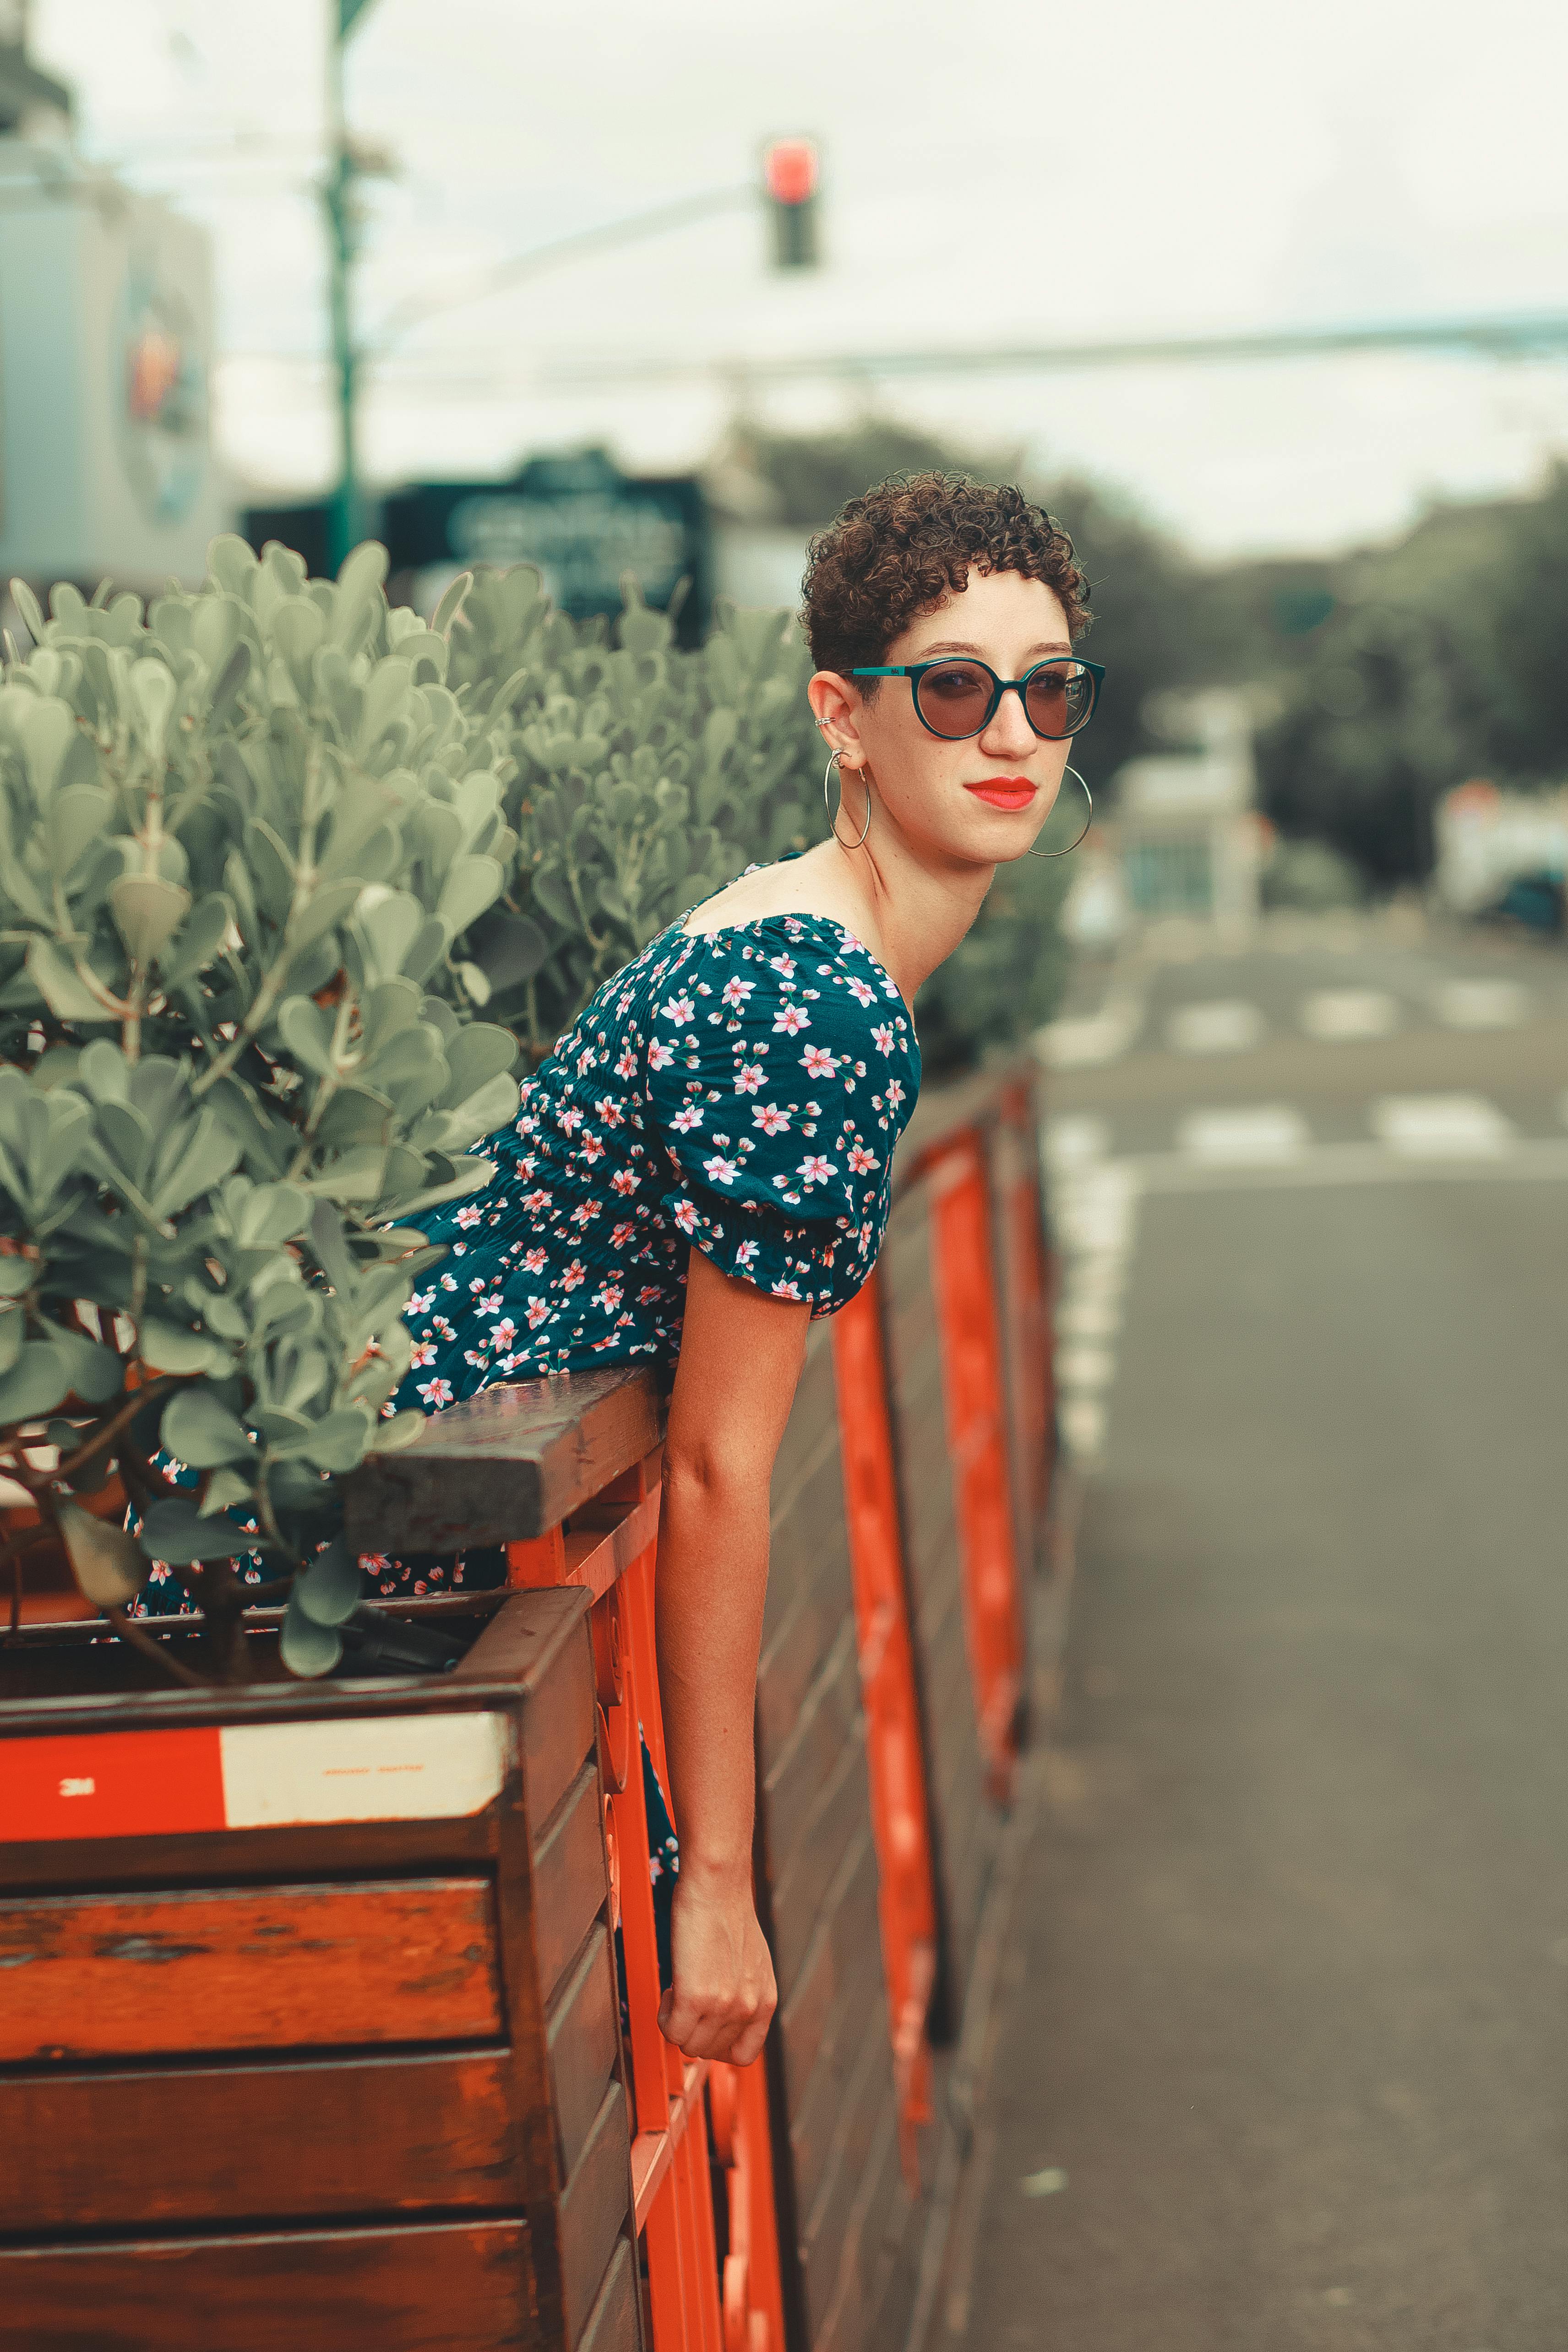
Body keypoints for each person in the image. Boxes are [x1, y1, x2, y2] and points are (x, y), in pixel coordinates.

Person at [387, 472, 1102, 2068]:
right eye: (955, 689)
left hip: (460, 1544)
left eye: (1047, 689)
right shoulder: (814, 996)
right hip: (408, 1595)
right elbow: (720, 1465)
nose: (1010, 736)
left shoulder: (808, 937)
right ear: (844, 719)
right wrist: (720, 1881)